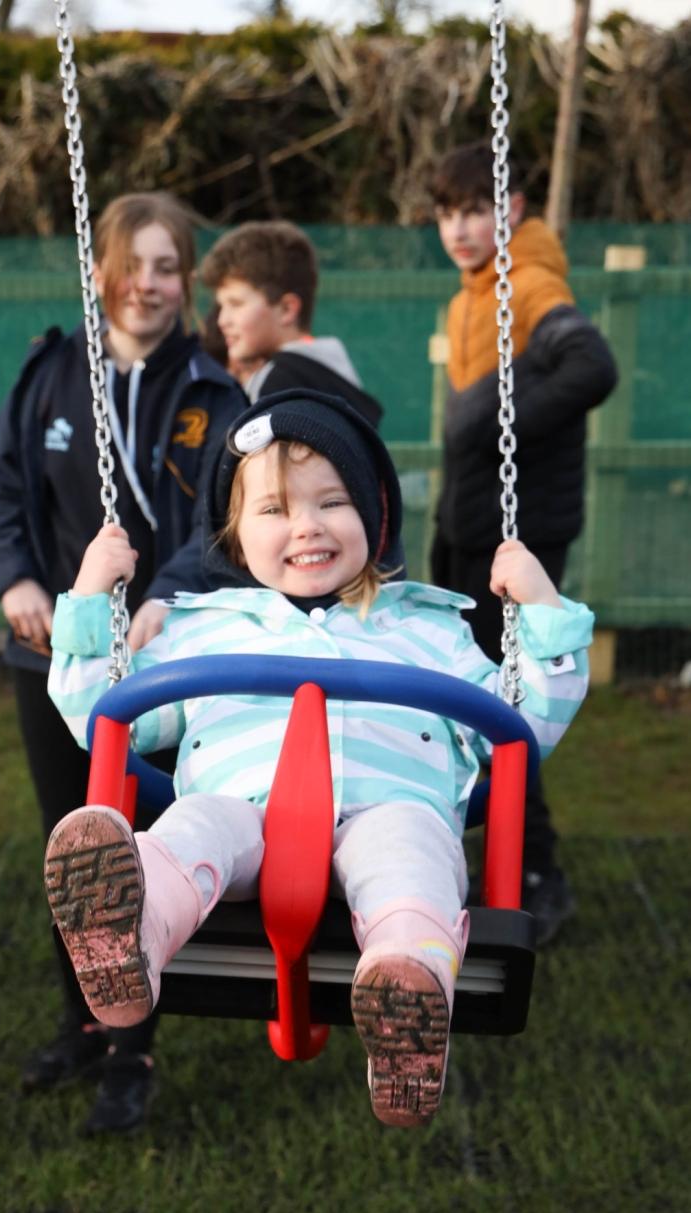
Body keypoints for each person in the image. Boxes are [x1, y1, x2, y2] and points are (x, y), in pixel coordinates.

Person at [43, 390, 594, 1128]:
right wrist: (88, 595)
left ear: (375, 519)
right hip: (245, 818)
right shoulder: (203, 629)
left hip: (389, 807)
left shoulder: (429, 628)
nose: (306, 526)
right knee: (193, 825)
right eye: (273, 510)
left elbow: (524, 723)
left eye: (332, 502)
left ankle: (406, 989)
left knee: (408, 849)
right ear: (236, 537)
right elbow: (98, 713)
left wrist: (541, 610)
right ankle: (130, 938)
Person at [0, 191, 247, 1135]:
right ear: (101, 273)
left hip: (173, 672)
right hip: (51, 652)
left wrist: (166, 596)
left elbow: (232, 522)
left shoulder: (214, 394)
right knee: (73, 847)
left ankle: (135, 1045)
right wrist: (17, 580)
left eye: (168, 266)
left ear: (187, 280)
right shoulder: (52, 374)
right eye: (133, 264)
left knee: (145, 851)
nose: (148, 284)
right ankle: (80, 1025)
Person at [428, 141, 617, 946]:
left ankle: (538, 870)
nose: (460, 227)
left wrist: (492, 412)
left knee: (506, 706)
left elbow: (590, 367)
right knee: (472, 702)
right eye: (446, 213)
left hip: (519, 544)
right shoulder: (469, 295)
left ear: (512, 209)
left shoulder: (529, 284)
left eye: (476, 209)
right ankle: (489, 852)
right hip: (470, 530)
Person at [200, 221, 383, 425]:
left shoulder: (274, 387)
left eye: (236, 304)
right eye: (221, 306)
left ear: (287, 309)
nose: (222, 320)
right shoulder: (338, 373)